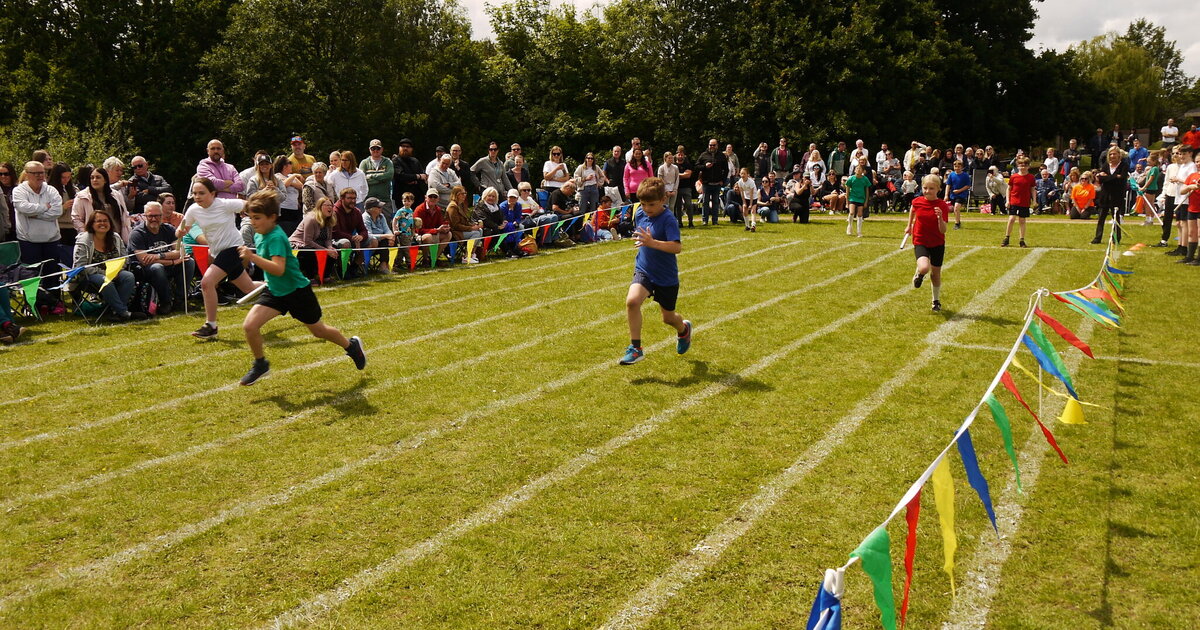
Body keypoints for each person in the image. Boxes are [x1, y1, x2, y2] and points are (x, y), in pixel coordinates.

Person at [236, 190, 366, 386]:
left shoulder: (276, 237)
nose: (253, 222)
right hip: (276, 291)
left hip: (298, 292)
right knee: (250, 326)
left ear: (272, 218)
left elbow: (279, 269)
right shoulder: (261, 233)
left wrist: (252, 257)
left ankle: (351, 346)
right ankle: (261, 364)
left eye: (257, 218)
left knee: (319, 331)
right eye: (251, 217)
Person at [176, 177, 263, 340]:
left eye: (201, 193)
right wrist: (179, 233)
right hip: (217, 253)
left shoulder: (225, 204)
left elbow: (249, 205)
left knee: (206, 283)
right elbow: (182, 229)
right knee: (249, 288)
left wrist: (256, 210)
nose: (197, 196)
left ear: (213, 193)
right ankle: (276, 286)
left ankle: (211, 325)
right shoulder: (193, 210)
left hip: (233, 249)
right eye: (195, 193)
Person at [619, 177, 691, 365]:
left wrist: (652, 243)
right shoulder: (641, 213)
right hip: (644, 270)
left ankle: (683, 330)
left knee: (668, 318)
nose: (646, 208)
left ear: (663, 200)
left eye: (651, 204)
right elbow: (643, 234)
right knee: (632, 302)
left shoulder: (669, 220)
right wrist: (641, 242)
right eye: (642, 204)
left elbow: (676, 247)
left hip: (665, 276)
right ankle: (636, 348)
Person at [70, 209, 146, 321]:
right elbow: (80, 267)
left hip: (114, 273)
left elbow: (124, 259)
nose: (103, 223)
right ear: (92, 224)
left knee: (128, 276)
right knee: (106, 281)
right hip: (87, 277)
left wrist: (116, 272)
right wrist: (106, 273)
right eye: (99, 221)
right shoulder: (84, 240)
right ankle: (123, 312)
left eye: (105, 221)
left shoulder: (115, 237)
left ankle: (114, 312)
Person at [130, 201, 192, 315]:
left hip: (164, 263)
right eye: (150, 216)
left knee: (189, 262)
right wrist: (172, 261)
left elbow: (180, 251)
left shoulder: (168, 229)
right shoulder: (137, 233)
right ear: (145, 216)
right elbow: (144, 260)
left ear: (161, 215)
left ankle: (180, 300)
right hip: (145, 270)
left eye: (157, 216)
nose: (154, 219)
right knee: (157, 267)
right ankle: (165, 302)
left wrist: (159, 256)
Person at [905, 174, 950, 312]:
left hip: (937, 242)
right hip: (921, 240)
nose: (927, 191)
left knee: (935, 274)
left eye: (931, 188)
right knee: (924, 268)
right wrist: (909, 226)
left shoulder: (942, 205)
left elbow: (943, 230)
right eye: (925, 188)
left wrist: (940, 218)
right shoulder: (917, 201)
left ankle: (935, 301)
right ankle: (919, 273)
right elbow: (913, 209)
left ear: (938, 189)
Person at [14, 161, 71, 270]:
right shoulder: (18, 191)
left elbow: (57, 212)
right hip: (28, 242)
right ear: (26, 174)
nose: (39, 176)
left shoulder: (51, 190)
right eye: (35, 173)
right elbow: (24, 208)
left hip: (52, 241)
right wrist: (44, 207)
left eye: (42, 172)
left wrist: (35, 214)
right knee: (31, 278)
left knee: (52, 277)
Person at [290, 196, 346, 282]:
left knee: (335, 249)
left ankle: (325, 276)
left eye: (331, 205)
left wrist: (330, 247)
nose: (329, 207)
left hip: (316, 244)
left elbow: (328, 239)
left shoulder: (330, 220)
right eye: (326, 205)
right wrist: (325, 250)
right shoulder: (311, 219)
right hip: (299, 244)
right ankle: (310, 277)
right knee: (310, 251)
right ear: (319, 207)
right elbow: (307, 241)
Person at [72, 166, 131, 243]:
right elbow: (76, 218)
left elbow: (124, 216)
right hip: (94, 239)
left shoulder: (116, 195)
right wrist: (86, 234)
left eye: (98, 177)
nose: (94, 180)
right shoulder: (82, 197)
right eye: (92, 178)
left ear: (105, 180)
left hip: (116, 236)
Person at [331, 188, 376, 276]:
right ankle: (342, 269)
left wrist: (361, 237)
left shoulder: (357, 212)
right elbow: (335, 232)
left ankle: (355, 267)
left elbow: (363, 230)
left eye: (354, 198)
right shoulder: (334, 212)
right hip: (335, 239)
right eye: (349, 198)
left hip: (352, 238)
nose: (352, 201)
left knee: (373, 241)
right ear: (342, 199)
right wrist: (352, 238)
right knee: (345, 243)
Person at [1092, 146, 1129, 245]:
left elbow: (1121, 179)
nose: (1112, 156)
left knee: (1116, 218)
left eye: (1114, 154)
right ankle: (1097, 238)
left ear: (1119, 155)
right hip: (1105, 195)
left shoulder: (1124, 165)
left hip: (1117, 195)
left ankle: (1116, 238)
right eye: (1111, 154)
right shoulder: (1106, 165)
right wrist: (1114, 177)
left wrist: (1107, 177)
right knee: (1101, 218)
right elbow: (1100, 179)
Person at [1003, 157, 1035, 247]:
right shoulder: (1014, 177)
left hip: (1024, 202)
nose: (1023, 167)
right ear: (1018, 166)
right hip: (1014, 201)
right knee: (1011, 218)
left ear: (1028, 166)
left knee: (1022, 220)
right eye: (1021, 165)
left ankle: (1021, 240)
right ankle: (1007, 238)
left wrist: (1034, 200)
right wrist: (1008, 200)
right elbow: (1008, 189)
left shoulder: (1031, 177)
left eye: (1025, 165)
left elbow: (1033, 189)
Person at [446, 186, 482, 261]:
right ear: (457, 195)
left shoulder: (461, 205)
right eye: (462, 194)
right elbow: (455, 226)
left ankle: (472, 254)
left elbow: (465, 221)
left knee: (480, 230)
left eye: (465, 193)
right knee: (476, 234)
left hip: (463, 229)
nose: (464, 195)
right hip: (456, 232)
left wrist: (473, 225)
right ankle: (467, 256)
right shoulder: (452, 206)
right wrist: (471, 228)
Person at [414, 188, 452, 260]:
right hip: (419, 236)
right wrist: (436, 230)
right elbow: (419, 230)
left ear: (438, 199)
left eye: (435, 197)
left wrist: (445, 228)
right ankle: (425, 260)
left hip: (433, 233)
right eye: (430, 196)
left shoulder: (438, 210)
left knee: (449, 234)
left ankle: (434, 258)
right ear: (426, 198)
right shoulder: (419, 210)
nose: (433, 199)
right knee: (428, 237)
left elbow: (440, 223)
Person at [360, 139, 395, 217]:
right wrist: (381, 179)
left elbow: (389, 176)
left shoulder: (388, 162)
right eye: (373, 148)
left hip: (384, 200)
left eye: (378, 148)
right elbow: (362, 180)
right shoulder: (364, 163)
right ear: (369, 149)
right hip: (368, 200)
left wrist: (371, 176)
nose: (375, 150)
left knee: (387, 223)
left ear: (382, 149)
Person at [696, 139, 726, 226]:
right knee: (705, 202)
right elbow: (697, 166)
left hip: (717, 184)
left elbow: (726, 169)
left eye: (713, 145)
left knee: (716, 202)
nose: (712, 147)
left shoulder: (721, 156)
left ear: (717, 146)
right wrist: (705, 166)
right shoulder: (703, 155)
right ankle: (705, 220)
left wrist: (722, 181)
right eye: (710, 145)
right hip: (706, 183)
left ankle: (715, 221)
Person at [1158, 147, 1184, 248]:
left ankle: (1182, 242)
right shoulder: (1170, 167)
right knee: (1167, 219)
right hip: (1170, 194)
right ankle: (1164, 239)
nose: (1175, 155)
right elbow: (1166, 182)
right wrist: (1163, 195)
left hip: (1180, 196)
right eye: (1173, 153)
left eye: (1177, 153)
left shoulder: (1186, 167)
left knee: (1180, 220)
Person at [1177, 150, 1200, 264]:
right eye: (1197, 161)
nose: (1198, 164)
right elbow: (1182, 191)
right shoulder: (1192, 176)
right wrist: (1191, 186)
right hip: (1192, 207)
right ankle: (1189, 256)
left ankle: (1199, 258)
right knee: (1192, 233)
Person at [391, 138, 427, 206]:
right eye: (403, 146)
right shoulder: (395, 161)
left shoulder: (415, 161)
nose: (405, 148)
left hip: (417, 197)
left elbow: (423, 177)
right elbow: (401, 176)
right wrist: (417, 176)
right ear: (399, 148)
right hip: (402, 198)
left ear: (411, 149)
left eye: (408, 147)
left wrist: (413, 179)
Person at [49, 162, 77, 245]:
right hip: (59, 228)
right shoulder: (50, 190)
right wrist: (63, 207)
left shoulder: (73, 189)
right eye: (63, 177)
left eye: (68, 177)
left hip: (73, 227)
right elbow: (48, 212)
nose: (66, 180)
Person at [362, 197, 396, 261]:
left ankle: (386, 265)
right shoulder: (365, 217)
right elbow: (368, 235)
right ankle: (365, 262)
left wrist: (391, 238)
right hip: (368, 242)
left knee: (389, 240)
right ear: (370, 209)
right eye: (379, 207)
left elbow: (387, 229)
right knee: (376, 240)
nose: (381, 209)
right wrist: (386, 236)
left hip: (381, 241)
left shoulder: (381, 216)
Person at [575, 152, 608, 218]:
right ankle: (582, 223)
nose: (590, 160)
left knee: (594, 207)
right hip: (584, 188)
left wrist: (598, 183)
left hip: (594, 188)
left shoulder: (596, 167)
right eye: (588, 158)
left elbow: (602, 176)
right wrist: (585, 179)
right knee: (583, 207)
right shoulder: (581, 167)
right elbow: (575, 178)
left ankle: (593, 222)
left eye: (591, 158)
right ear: (586, 159)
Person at [657, 151, 682, 225]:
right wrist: (666, 190)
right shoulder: (661, 168)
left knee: (672, 206)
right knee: (665, 206)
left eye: (672, 158)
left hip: (673, 188)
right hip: (665, 189)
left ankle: (671, 221)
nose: (671, 160)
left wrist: (674, 189)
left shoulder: (675, 167)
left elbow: (677, 179)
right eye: (669, 158)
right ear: (665, 158)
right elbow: (660, 180)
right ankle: (664, 221)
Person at [674, 146, 695, 224]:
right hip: (676, 187)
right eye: (679, 154)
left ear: (684, 155)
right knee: (678, 206)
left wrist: (677, 175)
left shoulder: (688, 164)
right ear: (676, 155)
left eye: (682, 154)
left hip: (686, 187)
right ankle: (679, 222)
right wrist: (683, 174)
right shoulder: (673, 164)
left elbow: (688, 175)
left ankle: (690, 222)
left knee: (689, 205)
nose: (680, 156)